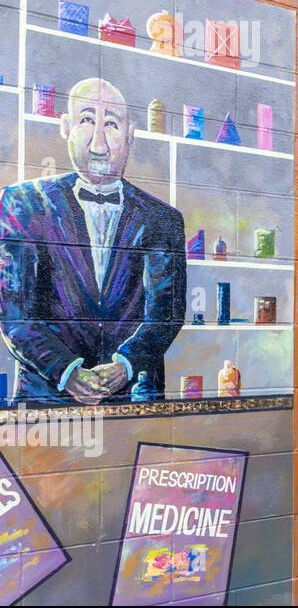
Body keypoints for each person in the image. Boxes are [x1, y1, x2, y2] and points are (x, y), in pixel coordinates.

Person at [0, 78, 187, 404]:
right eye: (87, 120)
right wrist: (68, 372)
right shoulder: (20, 204)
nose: (98, 142)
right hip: (48, 402)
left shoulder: (164, 219)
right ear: (65, 126)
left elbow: (165, 316)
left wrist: (124, 365)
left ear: (130, 136)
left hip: (134, 401)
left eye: (112, 124)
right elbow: (15, 316)